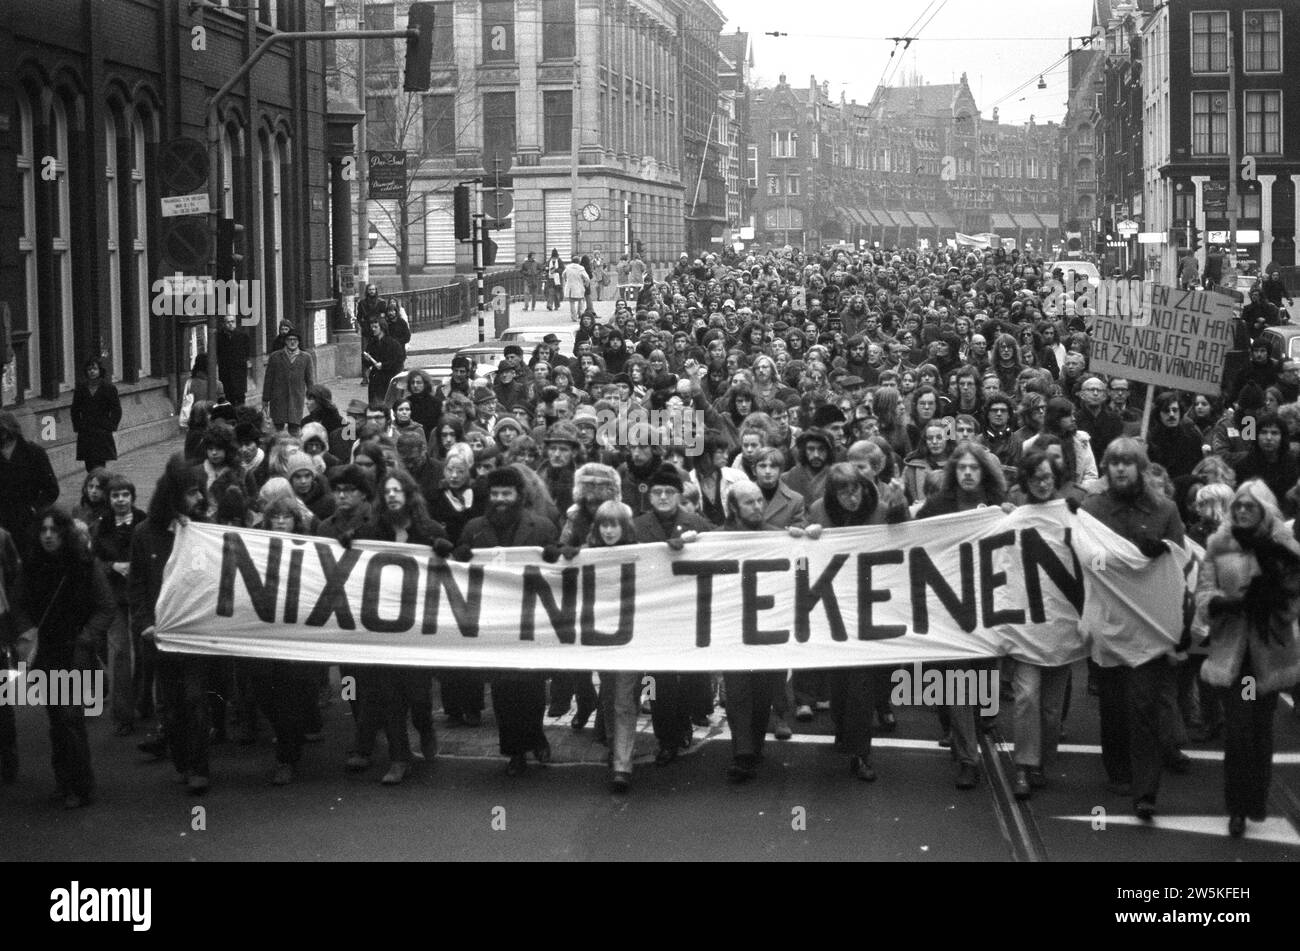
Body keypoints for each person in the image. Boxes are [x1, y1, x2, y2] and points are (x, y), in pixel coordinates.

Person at [1082, 437, 1188, 821]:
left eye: (1129, 463)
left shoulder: (1165, 510)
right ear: (1106, 468)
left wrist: (1158, 550)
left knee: (1144, 706)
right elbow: (1084, 560)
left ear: (1141, 468)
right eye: (1114, 463)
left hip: (1150, 624)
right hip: (1110, 623)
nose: (1121, 469)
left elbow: (1179, 564)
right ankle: (1119, 769)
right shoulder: (1092, 510)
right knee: (1113, 704)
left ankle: (1146, 790)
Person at [1195, 480, 1300, 836]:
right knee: (1240, 731)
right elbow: (1203, 592)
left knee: (1261, 731)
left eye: (1249, 507)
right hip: (1236, 657)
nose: (1241, 511)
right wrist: (1223, 603)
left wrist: (1276, 604)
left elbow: (1295, 595)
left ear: (1264, 510)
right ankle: (1238, 807)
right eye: (1237, 505)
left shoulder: (1283, 547)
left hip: (1269, 655)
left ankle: (1254, 800)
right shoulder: (1219, 544)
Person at [453, 466, 561, 776]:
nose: (500, 499)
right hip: (494, 623)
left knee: (532, 687)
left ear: (519, 496)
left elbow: (556, 570)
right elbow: (460, 572)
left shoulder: (541, 527)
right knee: (503, 691)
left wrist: (555, 555)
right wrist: (460, 555)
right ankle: (515, 752)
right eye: (495, 494)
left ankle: (536, 736)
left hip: (532, 621)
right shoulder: (473, 528)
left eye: (507, 494)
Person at [9, 506, 115, 809]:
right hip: (46, 652)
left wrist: (87, 638)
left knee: (71, 717)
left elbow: (105, 606)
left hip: (76, 651)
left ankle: (81, 785)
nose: (48, 536)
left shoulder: (83, 565)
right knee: (57, 718)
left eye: (54, 530)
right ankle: (64, 781)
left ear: (64, 533)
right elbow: (18, 607)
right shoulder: (29, 567)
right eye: (43, 530)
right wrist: (27, 632)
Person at [915, 442, 1007, 790]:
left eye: (975, 467)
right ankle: (969, 759)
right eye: (962, 467)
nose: (968, 473)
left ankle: (973, 726)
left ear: (985, 471)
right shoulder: (938, 505)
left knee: (982, 693)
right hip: (950, 605)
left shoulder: (1000, 506)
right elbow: (912, 538)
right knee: (957, 683)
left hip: (990, 606)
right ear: (954, 472)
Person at [352, 470, 449, 785]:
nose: (392, 495)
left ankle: (425, 727)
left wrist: (446, 548)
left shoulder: (429, 531)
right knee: (388, 694)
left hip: (419, 626)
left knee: (419, 695)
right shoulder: (371, 532)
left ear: (409, 495)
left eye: (398, 490)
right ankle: (399, 758)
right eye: (387, 491)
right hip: (382, 627)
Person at [129, 457, 213, 793]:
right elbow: (136, 584)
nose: (199, 500)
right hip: (160, 638)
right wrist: (145, 623)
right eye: (192, 493)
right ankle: (181, 761)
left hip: (194, 637)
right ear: (174, 496)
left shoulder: (204, 531)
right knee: (173, 706)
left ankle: (199, 768)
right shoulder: (144, 535)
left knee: (196, 702)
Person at [633, 463, 712, 766]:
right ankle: (666, 738)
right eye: (657, 492)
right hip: (652, 613)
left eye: (669, 492)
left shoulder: (697, 523)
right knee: (659, 680)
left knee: (689, 676)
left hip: (688, 611)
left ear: (679, 495)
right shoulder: (638, 526)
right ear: (649, 495)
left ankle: (685, 726)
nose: (663, 497)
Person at [0, 411, 60, 554]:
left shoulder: (34, 453)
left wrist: (34, 509)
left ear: (7, 431)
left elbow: (51, 489)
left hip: (28, 520)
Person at [70, 358, 123, 474]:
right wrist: (78, 426)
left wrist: (110, 425)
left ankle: (100, 484)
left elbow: (116, 409)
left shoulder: (109, 388)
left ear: (100, 370)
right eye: (89, 369)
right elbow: (75, 409)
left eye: (94, 369)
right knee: (89, 463)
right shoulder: (81, 389)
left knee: (100, 463)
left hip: (102, 430)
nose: (92, 372)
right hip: (86, 431)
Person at [262, 327, 315, 435]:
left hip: (296, 397)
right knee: (277, 429)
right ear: (285, 341)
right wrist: (265, 399)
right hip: (278, 398)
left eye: (295, 340)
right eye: (289, 339)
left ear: (298, 342)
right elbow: (268, 379)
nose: (292, 342)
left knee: (295, 428)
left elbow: (309, 380)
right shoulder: (275, 356)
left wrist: (313, 397)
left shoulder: (306, 357)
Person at [363, 319, 405, 406]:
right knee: (374, 406)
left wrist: (384, 365)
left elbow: (398, 361)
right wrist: (367, 359)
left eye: (375, 327)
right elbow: (368, 362)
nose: (373, 329)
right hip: (375, 380)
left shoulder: (393, 344)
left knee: (385, 405)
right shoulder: (372, 343)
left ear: (382, 328)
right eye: (372, 327)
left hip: (387, 379)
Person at [216, 312, 253, 406]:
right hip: (226, 372)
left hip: (239, 372)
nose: (230, 324)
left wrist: (245, 363)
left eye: (232, 321)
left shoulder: (242, 335)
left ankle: (241, 415)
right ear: (224, 324)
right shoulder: (219, 337)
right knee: (229, 396)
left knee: (240, 396)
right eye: (228, 322)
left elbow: (247, 352)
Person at [563, 255, 591, 322]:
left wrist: (566, 280)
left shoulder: (567, 267)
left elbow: (563, 274)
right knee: (581, 300)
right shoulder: (581, 268)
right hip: (579, 287)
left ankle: (574, 317)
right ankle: (580, 313)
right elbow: (587, 278)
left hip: (570, 288)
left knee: (572, 303)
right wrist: (586, 284)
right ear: (579, 261)